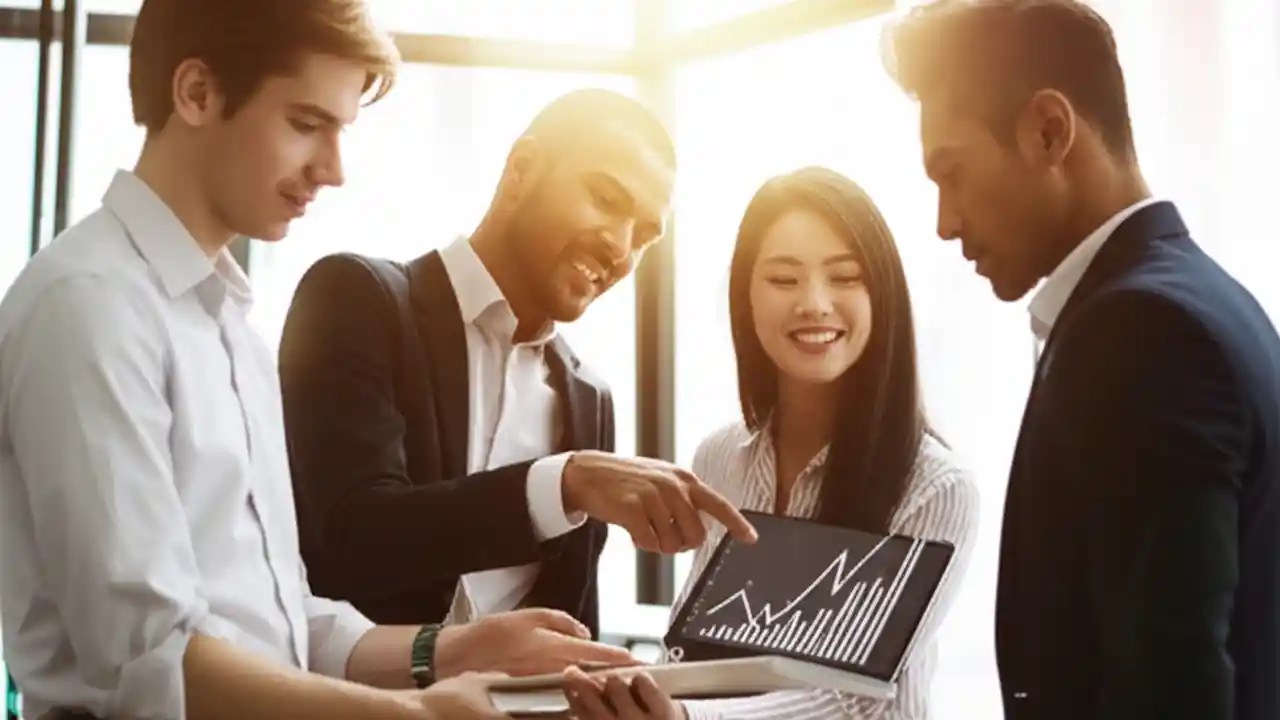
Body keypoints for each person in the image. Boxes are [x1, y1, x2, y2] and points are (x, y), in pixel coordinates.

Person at [0, 1, 638, 718]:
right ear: (197, 93)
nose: (333, 170)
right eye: (306, 124)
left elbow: (282, 622)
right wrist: (417, 715)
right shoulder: (89, 305)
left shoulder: (230, 329)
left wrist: (458, 649)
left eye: (341, 131)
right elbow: (150, 661)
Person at [882, 2, 1280, 719]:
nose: (944, 222)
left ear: (1048, 130)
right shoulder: (1209, 301)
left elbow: (1171, 688)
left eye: (953, 173)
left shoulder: (1141, 332)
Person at [277, 88, 757, 632]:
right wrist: (562, 484)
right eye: (605, 199)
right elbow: (350, 540)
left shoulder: (589, 398)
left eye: (644, 236)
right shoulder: (357, 297)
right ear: (522, 169)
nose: (622, 249)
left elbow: (572, 623)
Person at [562, 167, 981, 719]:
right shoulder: (720, 458)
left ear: (883, 297)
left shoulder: (935, 486)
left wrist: (685, 718)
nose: (815, 303)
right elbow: (695, 660)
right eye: (784, 279)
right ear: (747, 299)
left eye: (846, 277)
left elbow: (855, 701)